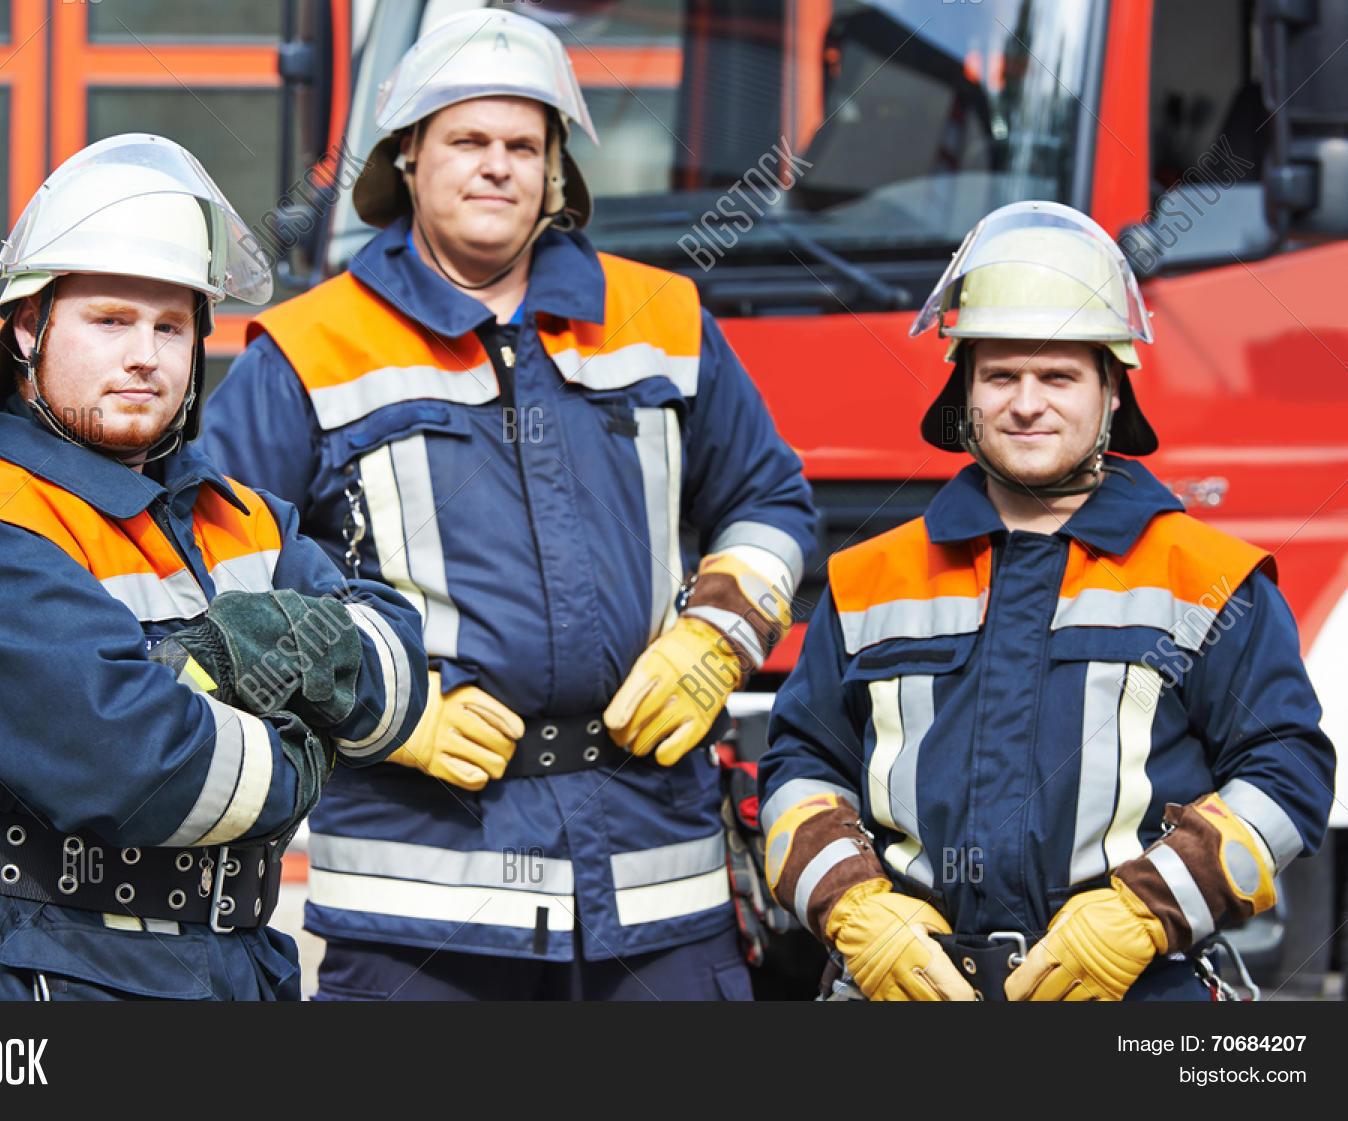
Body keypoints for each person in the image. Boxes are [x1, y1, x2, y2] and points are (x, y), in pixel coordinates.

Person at [202, 10, 816, 1000]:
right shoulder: (309, 349)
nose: (497, 166)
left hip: (659, 881)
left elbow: (769, 499)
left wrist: (718, 634)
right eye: (468, 140)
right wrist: (379, 708)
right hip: (426, 903)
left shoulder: (663, 317)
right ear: (407, 155)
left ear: (555, 168)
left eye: (522, 144)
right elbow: (214, 568)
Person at [0, 133, 427, 1001]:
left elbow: (397, 671)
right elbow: (149, 770)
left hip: (231, 965)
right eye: (110, 321)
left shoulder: (240, 516)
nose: (146, 355)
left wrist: (221, 666)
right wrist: (310, 735)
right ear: (28, 327)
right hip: (44, 972)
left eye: (171, 325)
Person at [757, 200, 1335, 1001]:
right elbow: (799, 764)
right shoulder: (869, 579)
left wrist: (1144, 912)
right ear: (966, 395)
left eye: (1059, 375)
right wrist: (856, 908)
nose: (1027, 403)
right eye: (1000, 376)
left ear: (1110, 391)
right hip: (908, 988)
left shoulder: (1209, 577)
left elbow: (1285, 772)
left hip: (1131, 989)